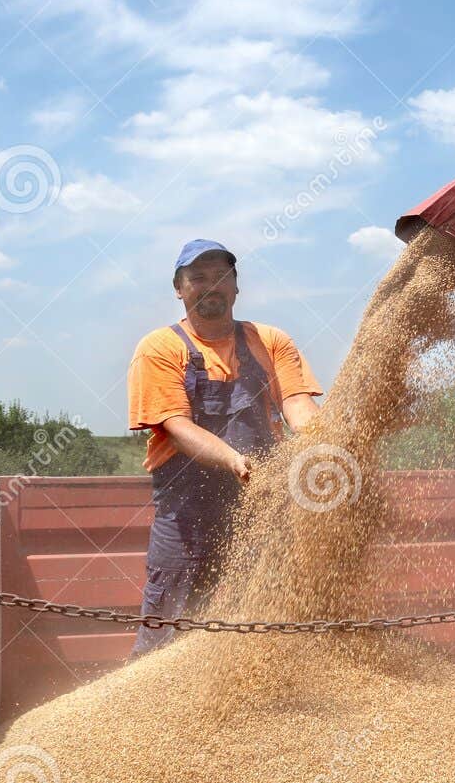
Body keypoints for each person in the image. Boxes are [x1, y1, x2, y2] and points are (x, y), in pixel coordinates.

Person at [125, 239, 323, 656]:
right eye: (198, 278)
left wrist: (319, 440)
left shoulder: (268, 341)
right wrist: (234, 459)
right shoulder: (161, 348)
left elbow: (295, 401)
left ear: (236, 287)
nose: (210, 286)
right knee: (168, 630)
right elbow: (176, 426)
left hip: (262, 508)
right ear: (179, 289)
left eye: (221, 277)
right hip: (186, 517)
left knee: (263, 624)